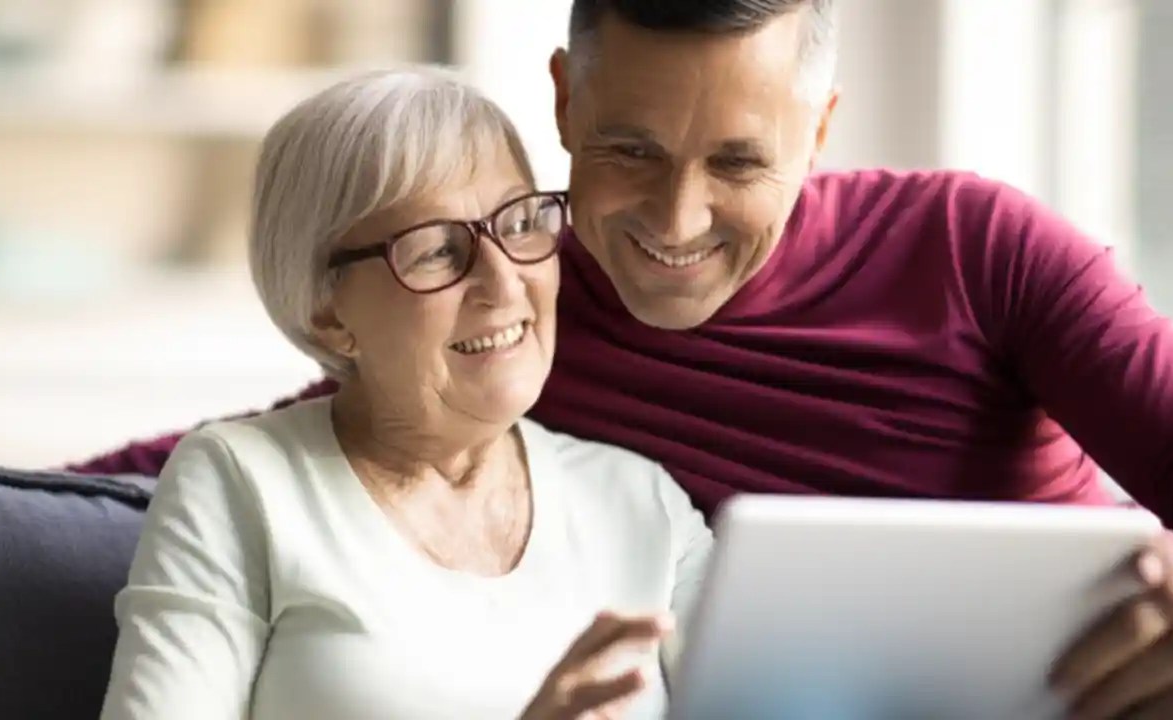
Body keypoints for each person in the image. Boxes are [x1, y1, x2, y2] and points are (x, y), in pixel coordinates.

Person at [79, 1, 1173, 717]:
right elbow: (290, 445)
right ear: (565, 101)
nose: (675, 220)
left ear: (818, 129)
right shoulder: (513, 310)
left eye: (738, 163)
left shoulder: (977, 249)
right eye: (629, 151)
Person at [98, 67, 712, 720]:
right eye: (437, 252)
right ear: (328, 312)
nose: (505, 283)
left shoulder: (642, 503)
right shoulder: (240, 480)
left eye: (518, 223)